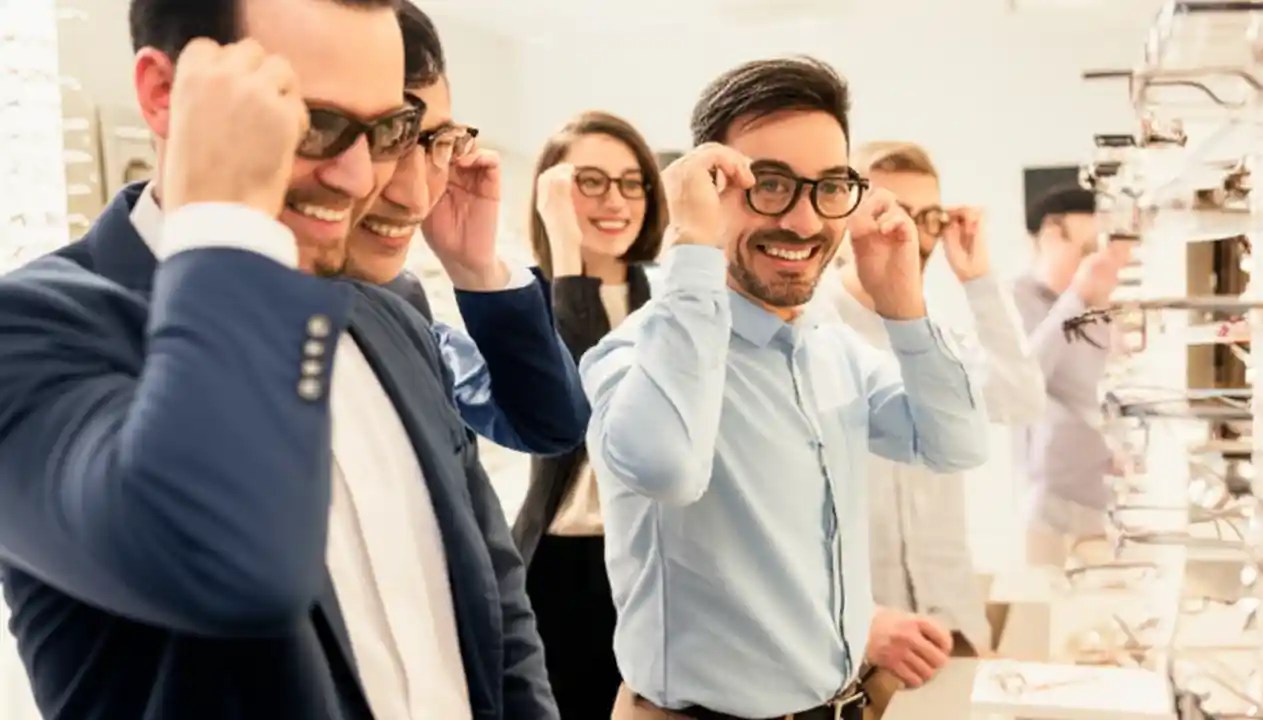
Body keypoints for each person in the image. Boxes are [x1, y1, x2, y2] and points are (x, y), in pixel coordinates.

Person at [0, 1, 557, 718]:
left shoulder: (388, 315)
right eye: (311, 123)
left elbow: (493, 603)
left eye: (388, 129)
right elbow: (230, 565)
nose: (360, 178)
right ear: (166, 94)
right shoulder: (31, 328)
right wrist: (228, 222)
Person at [583, 56, 990, 720]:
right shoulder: (637, 350)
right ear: (709, 185)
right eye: (769, 183)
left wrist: (904, 307)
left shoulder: (828, 348)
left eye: (829, 187)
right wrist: (693, 247)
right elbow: (666, 468)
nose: (804, 222)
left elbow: (956, 444)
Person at [815, 141, 1046, 656]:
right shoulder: (811, 329)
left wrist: (980, 281)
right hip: (855, 637)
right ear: (849, 213)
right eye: (891, 211)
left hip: (951, 622)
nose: (912, 234)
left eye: (928, 217)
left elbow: (1021, 401)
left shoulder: (939, 340)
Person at [341, 2, 588, 453]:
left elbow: (552, 425)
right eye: (383, 138)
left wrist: (477, 269)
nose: (415, 196)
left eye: (437, 142)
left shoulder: (401, 304)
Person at [509, 111, 668, 719]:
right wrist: (566, 262)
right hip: (559, 563)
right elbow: (576, 406)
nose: (616, 201)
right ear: (550, 191)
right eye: (590, 181)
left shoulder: (673, 297)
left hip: (653, 564)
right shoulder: (518, 301)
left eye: (632, 183)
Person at [1012, 185, 1128, 567]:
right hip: (1052, 506)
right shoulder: (1014, 301)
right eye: (1086, 250)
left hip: (1109, 502)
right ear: (1050, 236)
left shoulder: (1099, 306)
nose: (1094, 262)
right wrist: (1077, 295)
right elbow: (1025, 376)